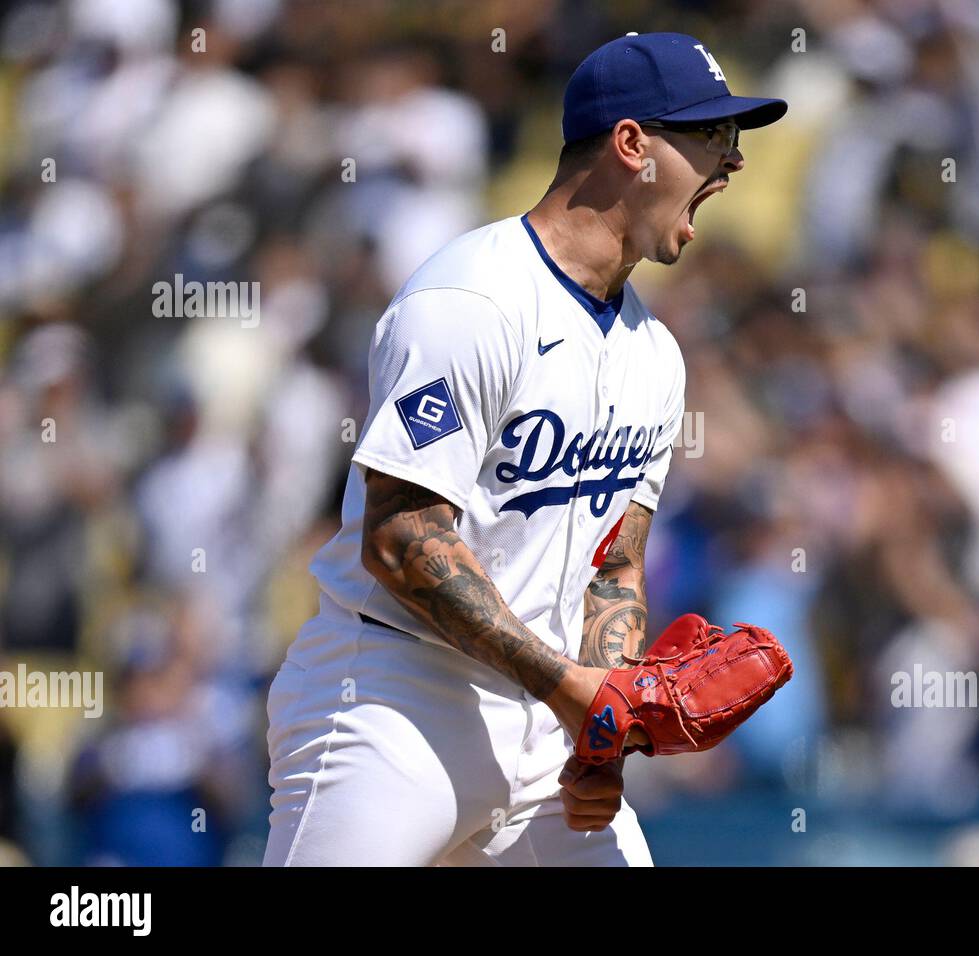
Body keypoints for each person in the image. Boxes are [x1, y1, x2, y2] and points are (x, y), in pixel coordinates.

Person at [262, 32, 786, 866]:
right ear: (631, 146)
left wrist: (602, 724)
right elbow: (401, 538)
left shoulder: (657, 355)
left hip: (546, 725)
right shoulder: (471, 298)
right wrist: (571, 691)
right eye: (711, 139)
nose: (733, 163)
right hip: (392, 700)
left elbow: (613, 567)